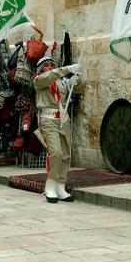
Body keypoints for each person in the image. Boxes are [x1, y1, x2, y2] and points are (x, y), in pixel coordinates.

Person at [34, 56, 81, 203]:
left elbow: (79, 89)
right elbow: (51, 76)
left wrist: (77, 80)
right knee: (55, 152)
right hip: (49, 120)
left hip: (63, 119)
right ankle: (50, 185)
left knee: (65, 154)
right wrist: (66, 69)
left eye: (51, 65)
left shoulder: (61, 82)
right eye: (46, 65)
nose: (49, 67)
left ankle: (61, 185)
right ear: (41, 69)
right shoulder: (40, 80)